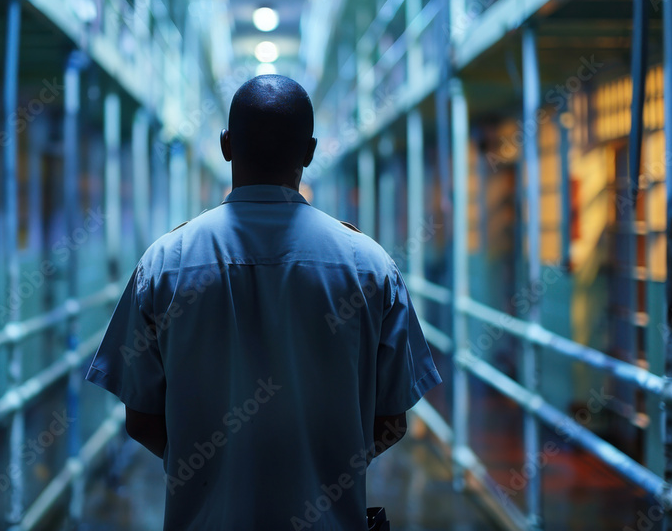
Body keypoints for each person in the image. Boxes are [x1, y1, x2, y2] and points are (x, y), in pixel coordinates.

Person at [85, 74, 441, 530]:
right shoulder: (369, 265)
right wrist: (321, 473)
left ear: (226, 144)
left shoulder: (165, 263)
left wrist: (211, 468)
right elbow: (391, 421)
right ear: (309, 153)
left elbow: (141, 418)